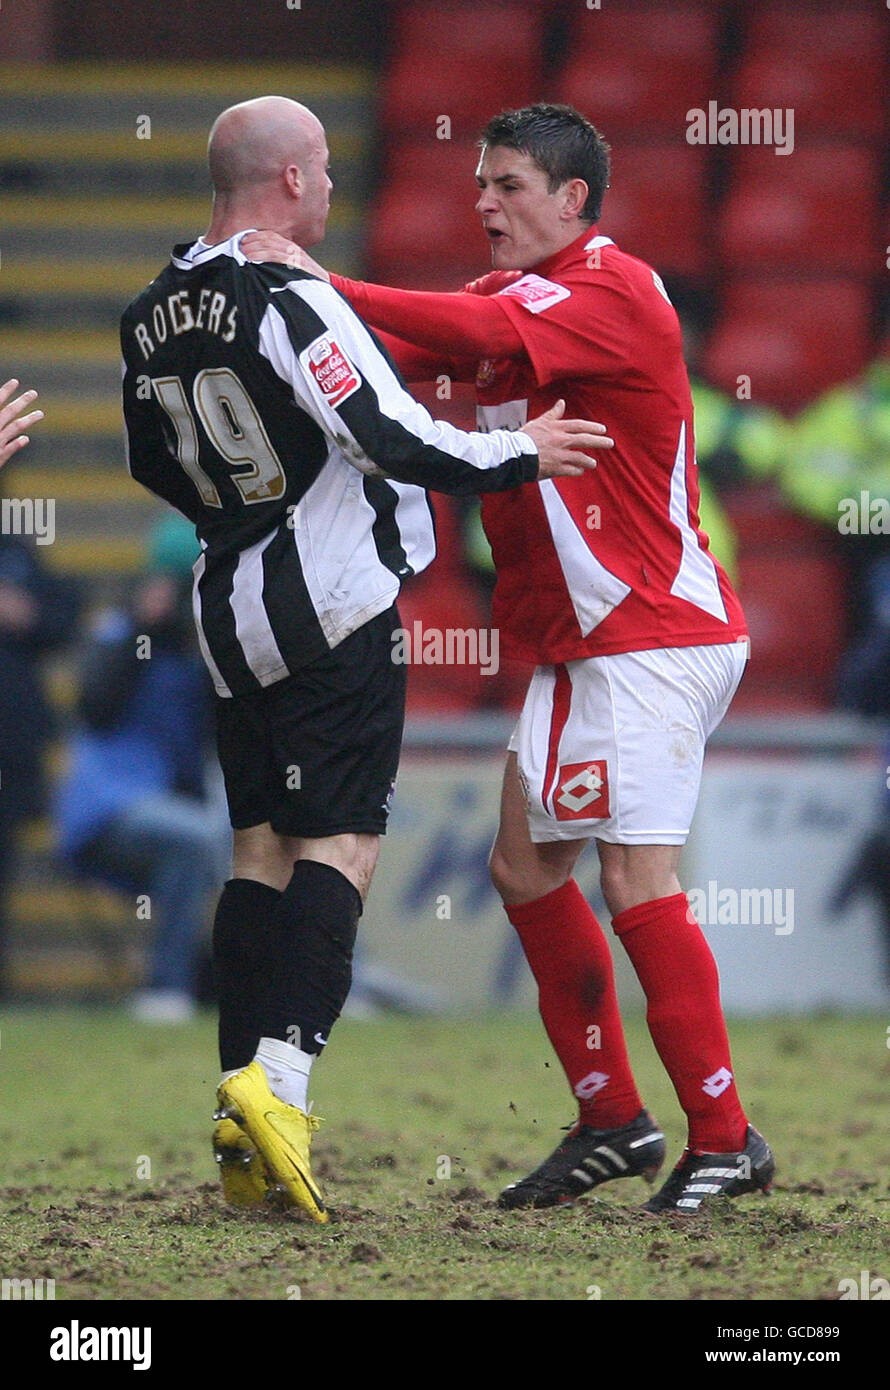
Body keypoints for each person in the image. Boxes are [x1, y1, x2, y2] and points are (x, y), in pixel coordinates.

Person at [244, 101, 774, 1216]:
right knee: (526, 871)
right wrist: (263, 324)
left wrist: (318, 282)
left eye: (508, 185)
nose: (483, 202)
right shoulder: (509, 298)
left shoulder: (613, 290)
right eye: (480, 184)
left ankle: (725, 1138)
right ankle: (611, 1118)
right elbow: (408, 348)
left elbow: (465, 334)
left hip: (649, 634)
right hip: (587, 643)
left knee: (635, 880)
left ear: (573, 199)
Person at [120, 96, 612, 1221]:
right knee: (339, 847)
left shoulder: (149, 310)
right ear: (292, 179)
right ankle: (282, 1089)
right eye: (328, 170)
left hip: (228, 609)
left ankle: (239, 1106)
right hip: (332, 601)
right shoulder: (293, 294)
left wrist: (244, 505)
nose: (336, 188)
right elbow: (390, 434)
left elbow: (153, 461)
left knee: (257, 852)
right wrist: (520, 449)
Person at [55, 517, 224, 1023]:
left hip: (175, 811)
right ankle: (166, 987)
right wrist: (143, 628)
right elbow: (94, 709)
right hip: (108, 809)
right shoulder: (119, 633)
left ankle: (312, 986)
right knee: (200, 838)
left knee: (235, 844)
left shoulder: (199, 652)